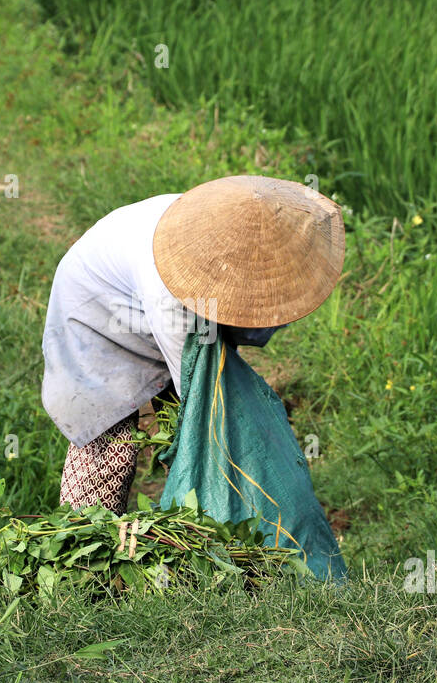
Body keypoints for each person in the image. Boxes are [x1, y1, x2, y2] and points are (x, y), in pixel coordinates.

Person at [40, 174, 345, 513]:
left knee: (184, 425)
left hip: (141, 285)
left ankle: (188, 515)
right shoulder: (174, 296)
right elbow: (198, 396)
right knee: (111, 442)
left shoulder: (230, 225)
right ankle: (86, 542)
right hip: (96, 312)